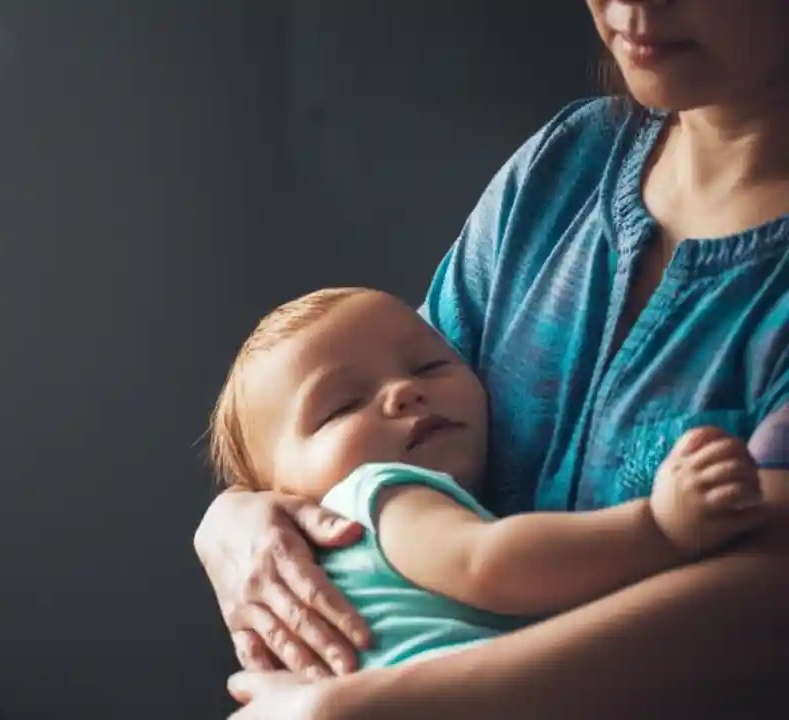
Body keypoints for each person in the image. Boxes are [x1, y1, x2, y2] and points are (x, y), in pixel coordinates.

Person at [195, 1, 789, 717]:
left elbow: (766, 598)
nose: (633, 6)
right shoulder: (564, 165)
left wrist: (374, 708)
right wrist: (241, 510)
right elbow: (369, 398)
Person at [208, 286, 765, 669]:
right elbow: (491, 563)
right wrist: (660, 527)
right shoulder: (377, 497)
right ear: (276, 495)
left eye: (428, 365)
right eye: (340, 406)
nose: (404, 391)